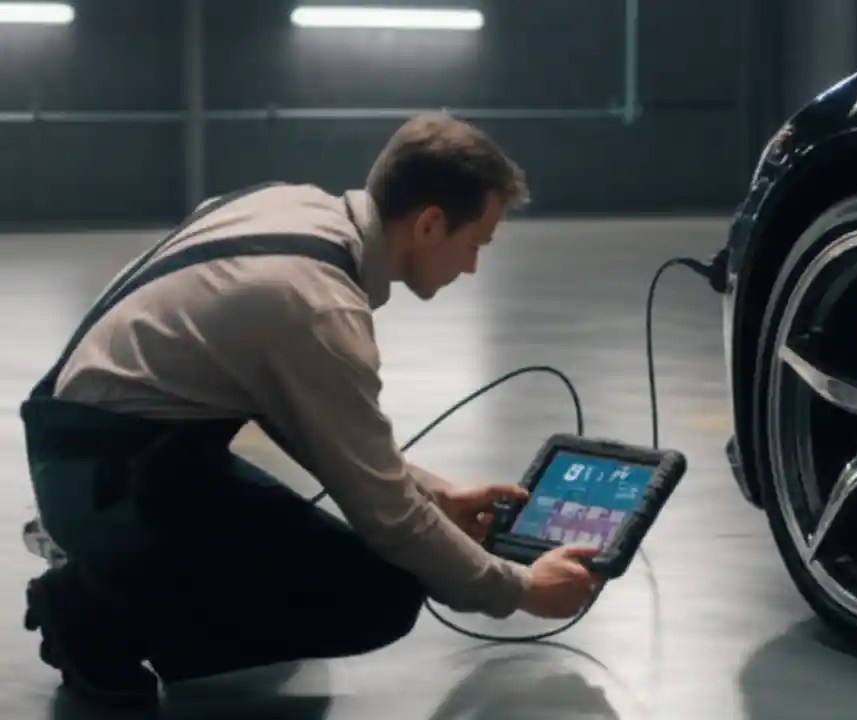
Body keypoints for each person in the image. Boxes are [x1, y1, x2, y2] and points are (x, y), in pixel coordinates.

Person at [19, 113, 602, 706]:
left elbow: (307, 418)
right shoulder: (315, 305)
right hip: (109, 477)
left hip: (113, 451)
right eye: (474, 244)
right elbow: (391, 521)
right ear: (429, 224)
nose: (472, 266)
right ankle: (97, 611)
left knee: (329, 559)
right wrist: (524, 589)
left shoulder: (285, 204)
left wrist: (439, 495)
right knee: (373, 597)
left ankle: (107, 565)